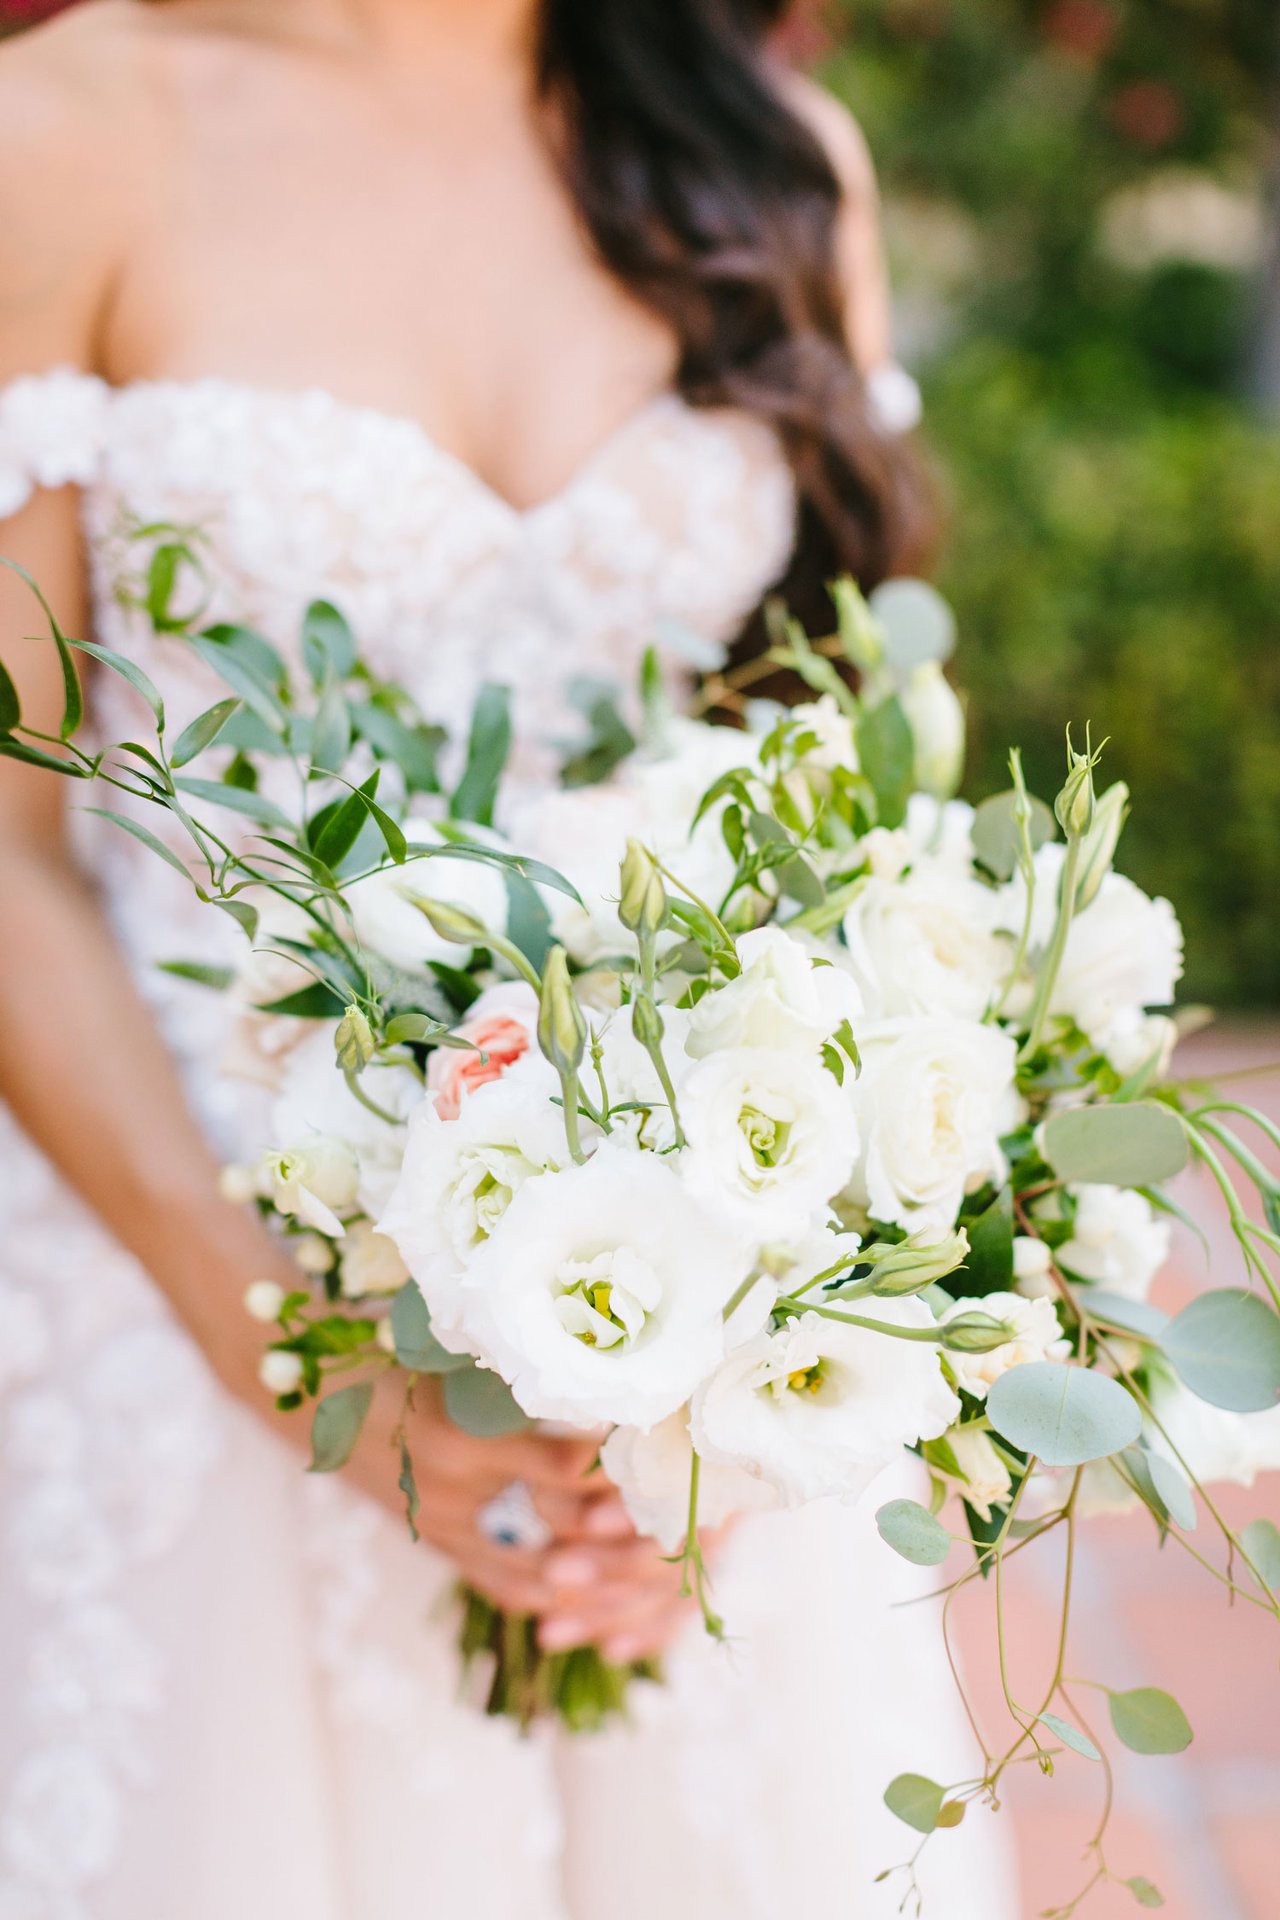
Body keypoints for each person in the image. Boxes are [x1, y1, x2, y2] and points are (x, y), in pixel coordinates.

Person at [0, 3, 1017, 1914]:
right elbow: (4, 849)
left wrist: (764, 1340)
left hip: (674, 1358)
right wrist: (308, 1369)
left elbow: (862, 785)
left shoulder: (773, 156)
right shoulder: (64, 134)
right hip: (185, 1283)